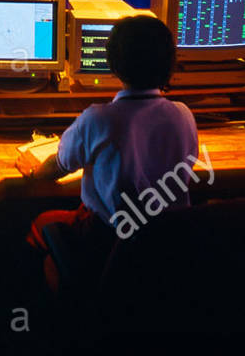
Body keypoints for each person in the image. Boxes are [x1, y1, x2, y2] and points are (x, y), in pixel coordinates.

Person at [17, 15, 200, 285]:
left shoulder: (98, 119)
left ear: (113, 65)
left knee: (41, 223)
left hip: (106, 239)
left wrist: (32, 174)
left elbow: (58, 166)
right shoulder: (184, 115)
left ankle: (43, 313)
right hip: (167, 245)